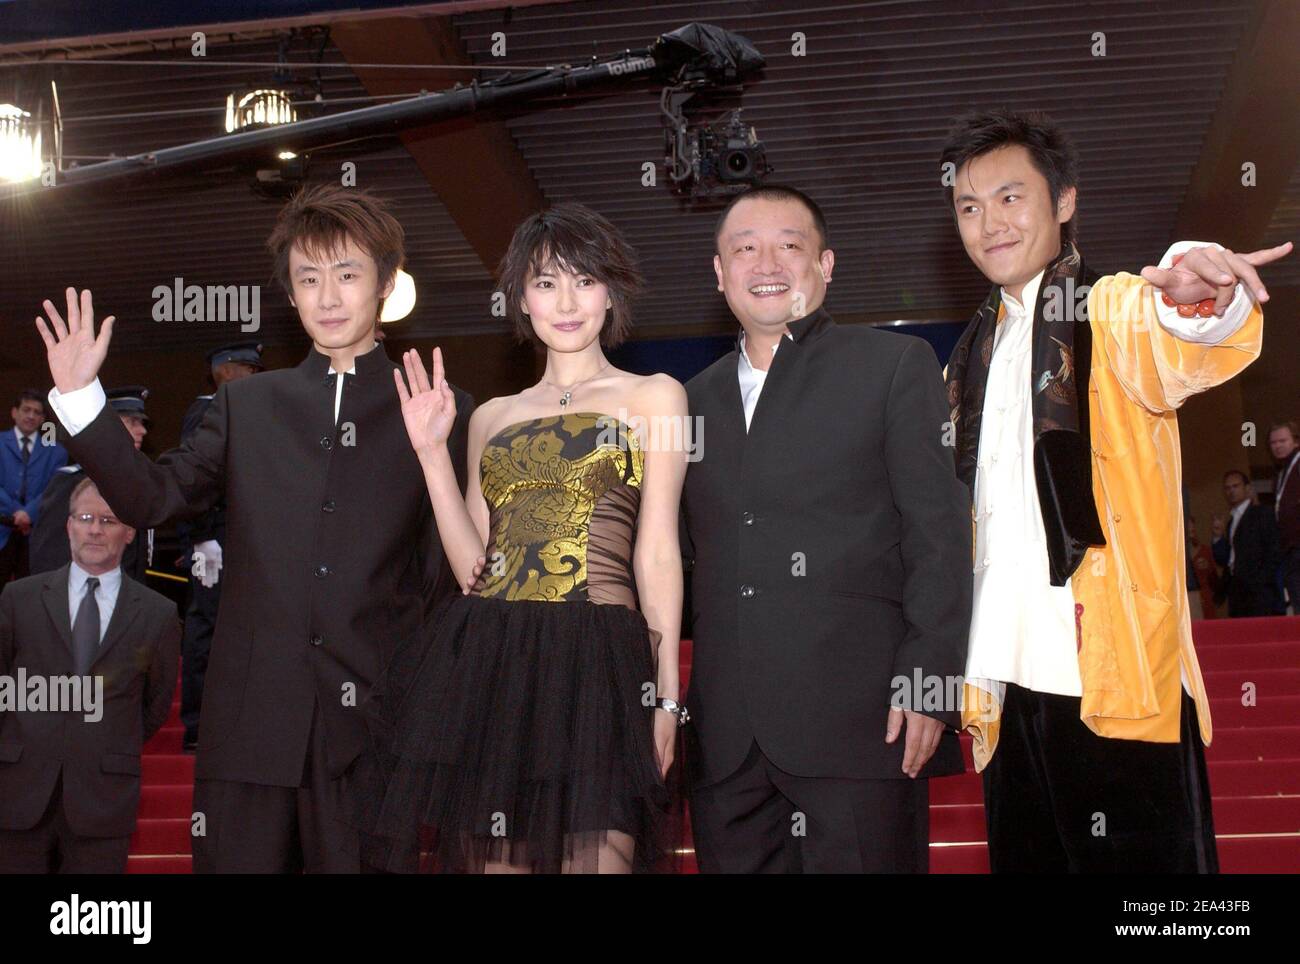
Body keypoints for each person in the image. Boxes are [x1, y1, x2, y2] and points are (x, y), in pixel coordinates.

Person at [34, 183, 474, 873]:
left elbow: (444, 579)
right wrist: (83, 404)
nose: (328, 297)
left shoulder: (438, 408)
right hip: (248, 729)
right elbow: (155, 497)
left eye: (348, 274)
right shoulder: (246, 405)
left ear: (387, 284)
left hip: (375, 734)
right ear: (291, 295)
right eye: (308, 278)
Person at [941, 107, 1291, 872]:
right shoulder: (965, 360)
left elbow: (1178, 331)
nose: (988, 222)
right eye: (968, 206)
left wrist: (1200, 298)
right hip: (1001, 686)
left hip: (1112, 679)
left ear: (1064, 201)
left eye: (1010, 197)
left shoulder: (1107, 307)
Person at [357, 202, 687, 874]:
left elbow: (656, 551)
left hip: (601, 663)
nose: (566, 300)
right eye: (545, 282)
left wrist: (667, 693)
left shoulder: (656, 396)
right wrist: (430, 453)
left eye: (584, 279)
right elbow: (474, 568)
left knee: (602, 857)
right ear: (520, 300)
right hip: (495, 663)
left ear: (611, 291)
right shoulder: (492, 417)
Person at [680, 185, 972, 873]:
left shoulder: (892, 367)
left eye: (790, 245)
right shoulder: (687, 403)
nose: (766, 262)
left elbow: (939, 532)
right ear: (719, 273)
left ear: (827, 265)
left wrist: (929, 683)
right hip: (726, 738)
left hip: (862, 722)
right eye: (744, 248)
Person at [0, 478, 179, 873]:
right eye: (84, 518)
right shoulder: (18, 600)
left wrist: (104, 740)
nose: (95, 529)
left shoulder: (158, 614)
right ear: (68, 527)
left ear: (129, 532)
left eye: (108, 520)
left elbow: (153, 705)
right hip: (19, 792)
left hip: (104, 798)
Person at [177, 343, 264, 752]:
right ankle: (197, 724)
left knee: (225, 623)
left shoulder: (235, 410)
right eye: (247, 368)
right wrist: (201, 538)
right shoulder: (207, 410)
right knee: (207, 623)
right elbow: (195, 479)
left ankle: (219, 719)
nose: (253, 375)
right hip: (209, 540)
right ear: (223, 371)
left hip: (228, 537)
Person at [29, 386, 154, 583]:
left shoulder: (138, 480)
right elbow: (48, 555)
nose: (142, 430)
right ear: (109, 426)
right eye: (133, 422)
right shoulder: (71, 482)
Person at [0, 391, 67, 584]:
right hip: (2, 527)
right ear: (14, 412)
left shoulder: (56, 451)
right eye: (26, 410)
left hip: (35, 533)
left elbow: (54, 488)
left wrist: (29, 513)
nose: (31, 416)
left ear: (43, 419)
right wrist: (16, 513)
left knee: (29, 589)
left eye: (37, 412)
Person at [1212, 470, 1282, 617]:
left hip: (1258, 590)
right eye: (1227, 488)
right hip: (1236, 589)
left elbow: (1273, 550)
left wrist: (1262, 581)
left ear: (1247, 488)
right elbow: (1226, 559)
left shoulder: (1262, 514)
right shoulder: (1232, 521)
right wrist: (1218, 537)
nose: (1231, 491)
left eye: (1235, 486)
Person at [1269, 421, 1299, 613]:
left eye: (1283, 440)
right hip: (1290, 548)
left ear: (1295, 441)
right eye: (1273, 443)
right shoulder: (1281, 473)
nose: (1278, 446)